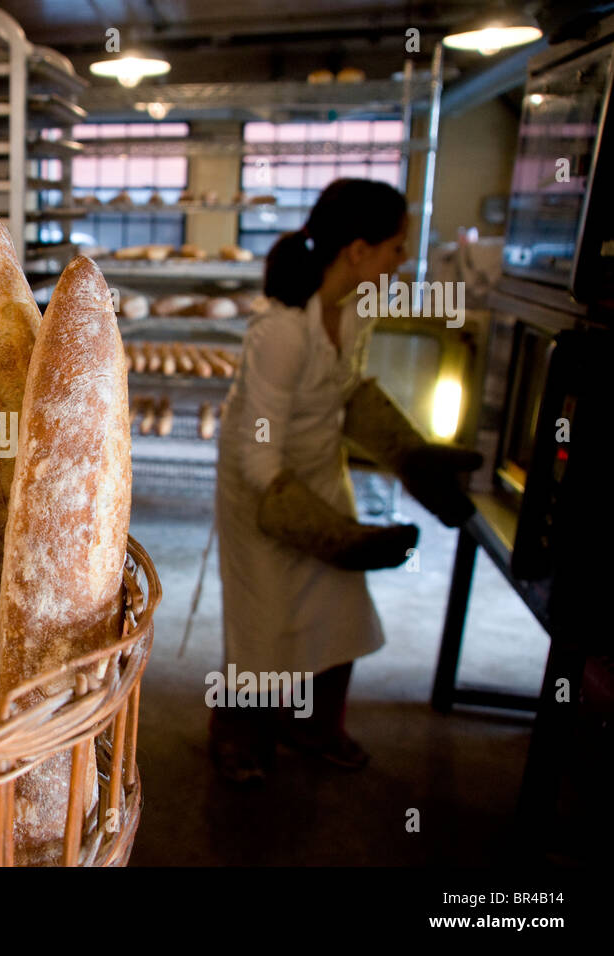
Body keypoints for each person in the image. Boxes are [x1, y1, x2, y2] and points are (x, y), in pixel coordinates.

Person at [211, 178, 482, 785]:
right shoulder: (280, 332)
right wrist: (332, 533)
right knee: (266, 618)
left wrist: (413, 456)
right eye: (395, 246)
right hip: (262, 482)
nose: (402, 259)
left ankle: (311, 723)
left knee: (339, 605)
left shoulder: (357, 308)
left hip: (317, 465)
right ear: (356, 250)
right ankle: (239, 733)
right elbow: (260, 450)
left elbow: (348, 389)